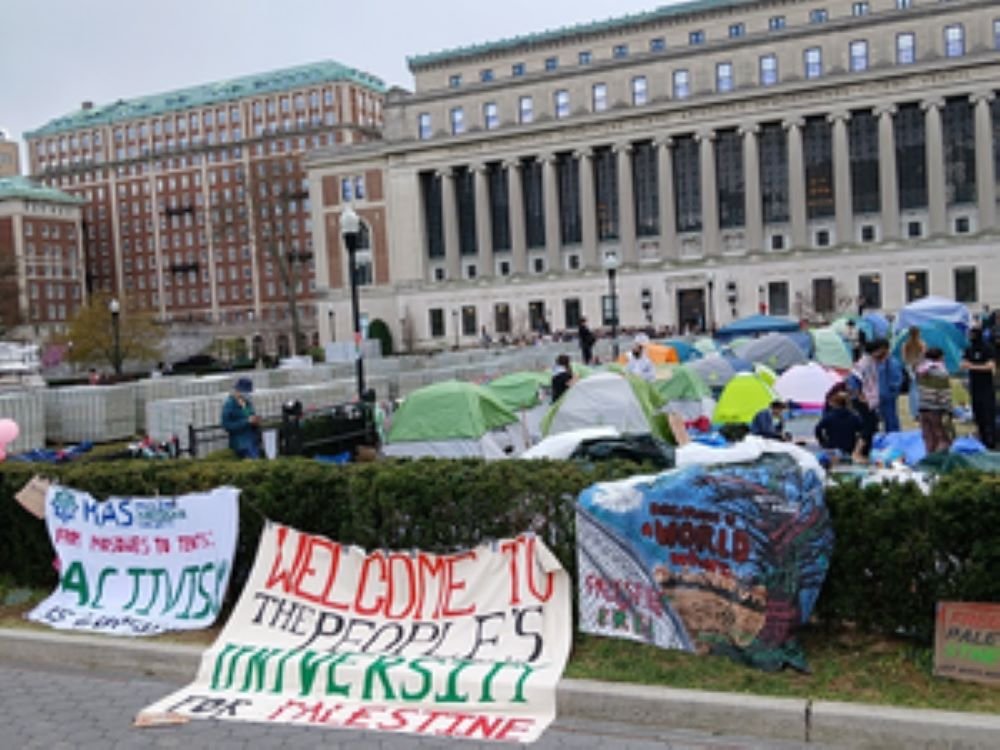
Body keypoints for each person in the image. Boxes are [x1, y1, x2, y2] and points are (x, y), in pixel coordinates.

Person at [846, 339, 888, 456]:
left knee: (873, 425)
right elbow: (853, 380)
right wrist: (859, 395)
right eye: (883, 351)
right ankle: (857, 452)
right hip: (864, 399)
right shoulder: (864, 363)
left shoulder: (872, 362)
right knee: (869, 425)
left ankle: (866, 451)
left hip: (869, 399)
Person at [961, 325, 997, 449]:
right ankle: (982, 438)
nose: (971, 337)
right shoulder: (969, 349)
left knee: (988, 414)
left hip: (986, 386)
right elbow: (963, 364)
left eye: (973, 335)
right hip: (974, 385)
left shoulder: (988, 348)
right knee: (978, 413)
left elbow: (990, 366)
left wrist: (973, 366)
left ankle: (991, 441)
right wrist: (974, 366)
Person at [916, 347, 955, 454]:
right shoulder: (941, 373)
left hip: (923, 407)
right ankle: (940, 461)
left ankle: (929, 458)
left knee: (928, 436)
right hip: (937, 408)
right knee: (941, 436)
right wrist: (949, 409)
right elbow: (944, 393)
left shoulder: (920, 371)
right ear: (940, 357)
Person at [814, 391, 864, 461]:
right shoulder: (854, 417)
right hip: (849, 448)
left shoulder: (829, 417)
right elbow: (862, 432)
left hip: (832, 447)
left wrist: (823, 442)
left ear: (835, 403)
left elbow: (817, 429)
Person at [221, 377, 261, 458]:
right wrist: (246, 422)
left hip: (252, 440)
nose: (248, 394)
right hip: (240, 443)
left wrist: (255, 421)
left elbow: (250, 415)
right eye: (246, 392)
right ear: (238, 391)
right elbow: (226, 425)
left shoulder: (246, 403)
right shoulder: (229, 405)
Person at [899, 326, 925, 421]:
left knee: (912, 391)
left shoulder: (905, 344)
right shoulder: (922, 344)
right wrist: (917, 363)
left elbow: (904, 359)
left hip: (910, 367)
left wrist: (911, 363)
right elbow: (923, 358)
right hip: (919, 368)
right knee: (920, 390)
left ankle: (914, 412)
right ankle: (920, 411)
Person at [876, 348, 905, 434]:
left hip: (888, 394)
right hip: (883, 394)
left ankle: (894, 435)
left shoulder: (891, 363)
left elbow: (897, 380)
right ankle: (891, 434)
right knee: (887, 417)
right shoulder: (882, 362)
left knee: (890, 417)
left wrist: (893, 390)